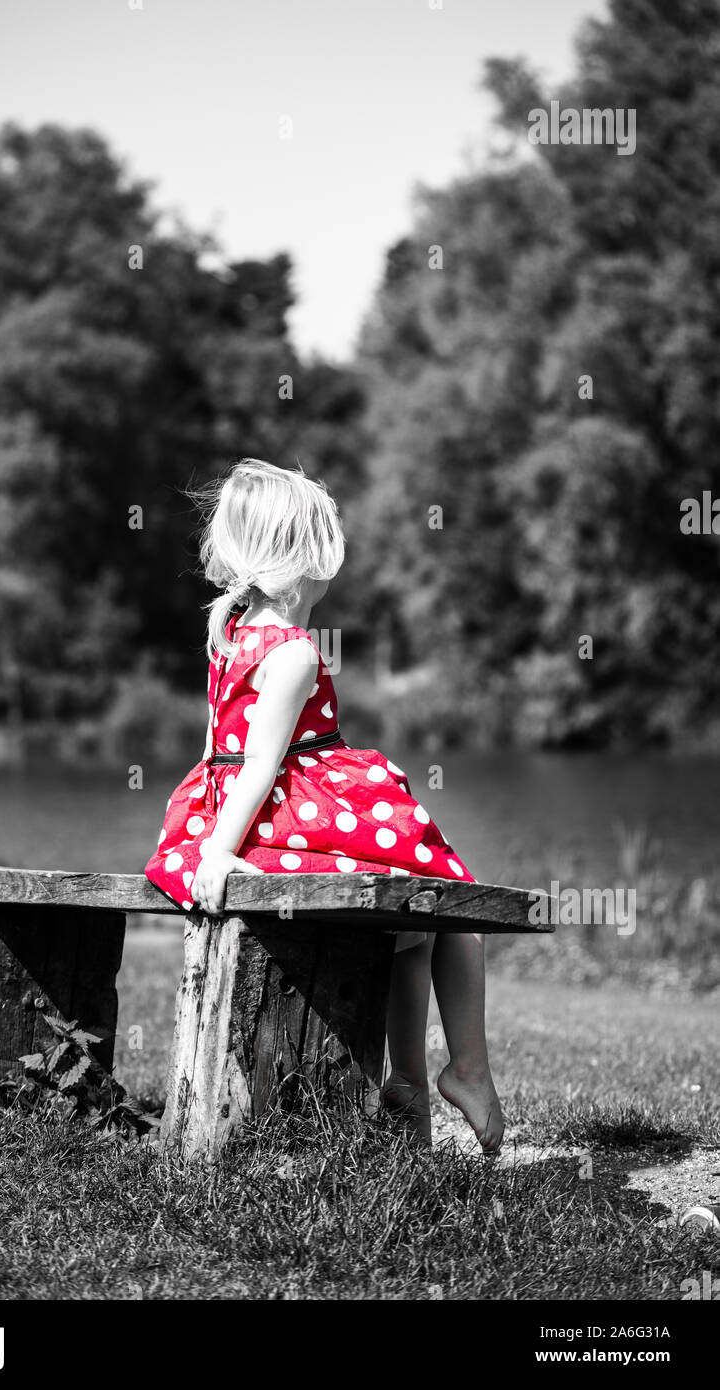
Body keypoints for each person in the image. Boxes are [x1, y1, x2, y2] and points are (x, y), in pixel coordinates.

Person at [144, 458, 504, 1152]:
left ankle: (409, 1083)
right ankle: (466, 1068)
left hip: (224, 810)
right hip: (281, 816)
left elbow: (222, 752)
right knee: (451, 899)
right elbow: (259, 767)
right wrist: (220, 853)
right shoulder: (294, 653)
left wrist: (210, 836)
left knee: (416, 923)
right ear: (312, 557)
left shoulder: (232, 633)